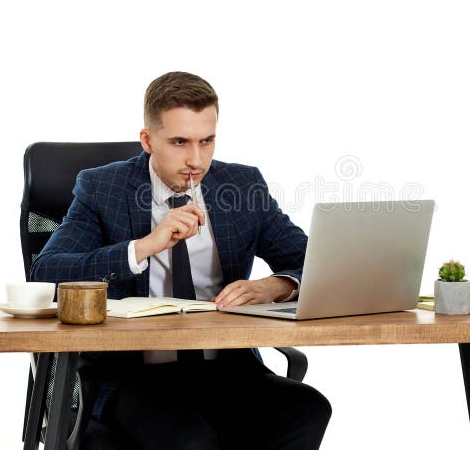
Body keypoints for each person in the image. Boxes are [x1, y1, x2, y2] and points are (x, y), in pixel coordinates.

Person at [31, 71, 332, 450]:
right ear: (147, 140)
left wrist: (277, 285)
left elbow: (316, 263)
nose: (196, 159)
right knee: (191, 439)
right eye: (179, 142)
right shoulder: (102, 188)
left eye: (207, 141)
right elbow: (46, 272)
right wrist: (144, 246)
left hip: (227, 368)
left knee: (307, 409)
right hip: (135, 375)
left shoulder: (241, 187)